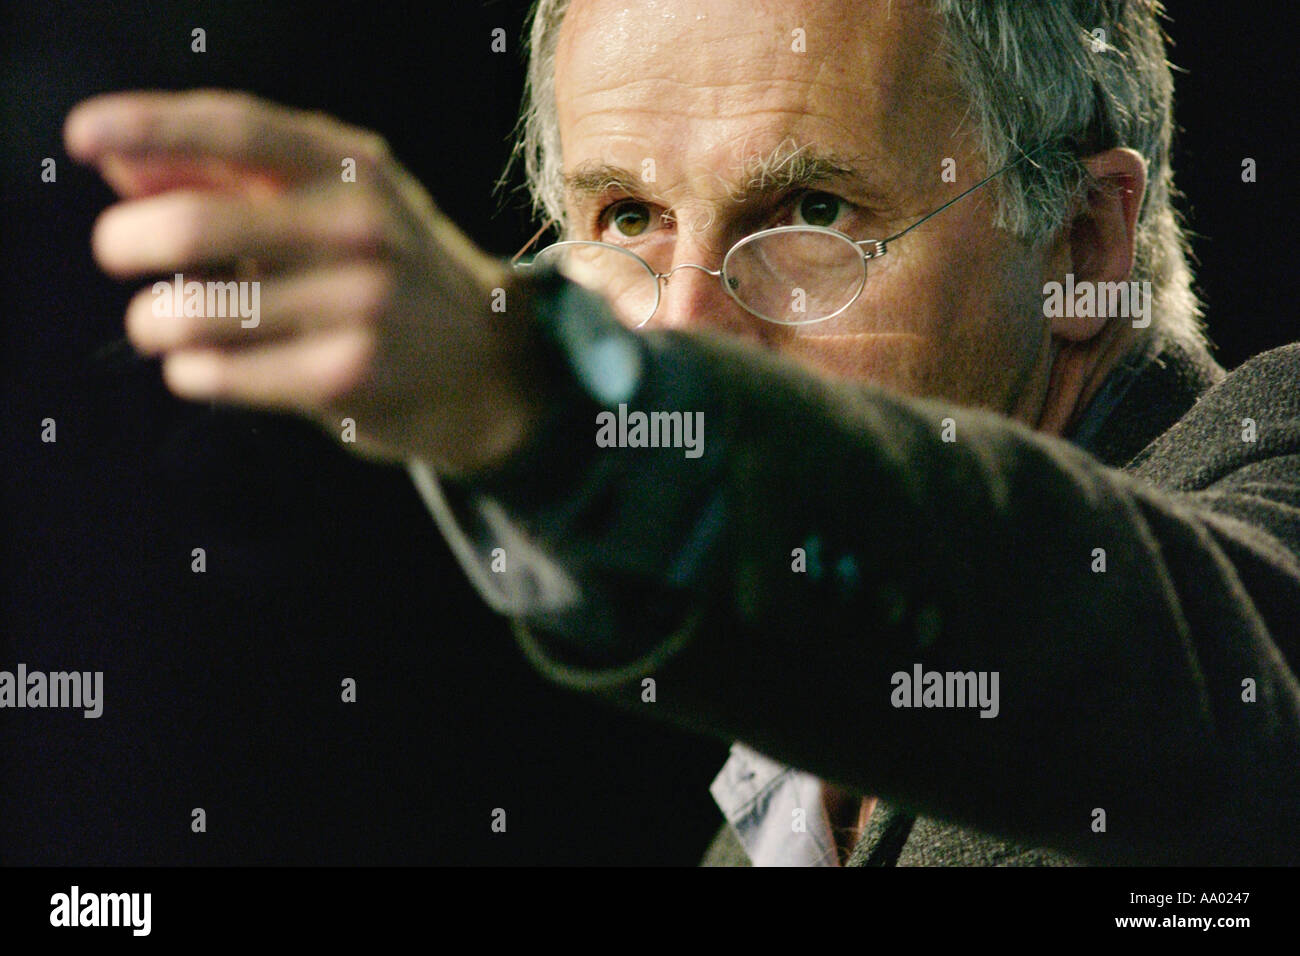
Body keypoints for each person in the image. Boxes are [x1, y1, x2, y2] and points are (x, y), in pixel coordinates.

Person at [64, 0, 1300, 866]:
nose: (684, 327)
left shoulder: (1267, 474)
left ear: (1082, 241)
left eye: (813, 209)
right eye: (626, 217)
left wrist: (549, 387)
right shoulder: (768, 812)